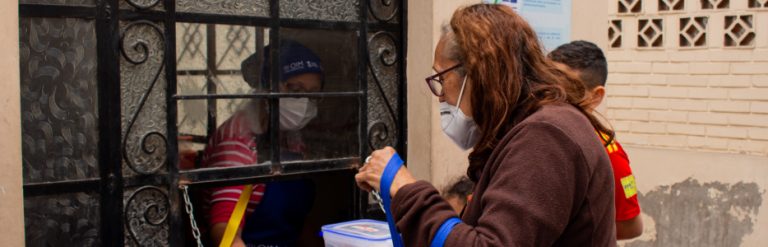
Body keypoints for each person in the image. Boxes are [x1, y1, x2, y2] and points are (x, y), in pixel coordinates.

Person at [355, 4, 617, 246]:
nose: (441, 96)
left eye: (441, 78)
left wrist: (403, 187)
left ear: (478, 74)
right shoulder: (536, 126)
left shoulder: (546, 136)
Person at [200, 40, 323, 247]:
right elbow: (225, 234)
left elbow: (299, 222)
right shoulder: (238, 141)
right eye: (295, 89)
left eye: (313, 94)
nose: (303, 102)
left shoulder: (292, 138)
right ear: (266, 89)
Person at [549, 40, 643, 240]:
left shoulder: (608, 151)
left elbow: (632, 226)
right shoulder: (536, 134)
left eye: (567, 91)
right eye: (547, 86)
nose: (552, 99)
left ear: (595, 96)